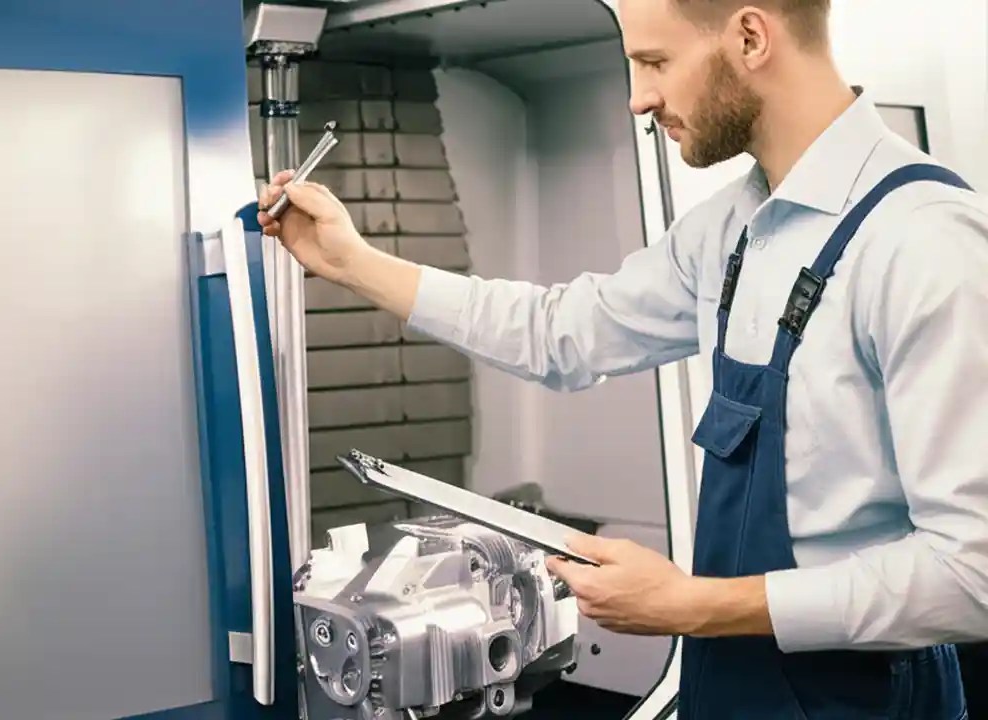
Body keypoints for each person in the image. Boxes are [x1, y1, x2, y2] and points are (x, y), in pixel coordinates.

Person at [258, 0, 988, 717]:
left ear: (752, 37)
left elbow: (974, 573)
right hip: (733, 675)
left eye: (654, 61)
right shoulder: (736, 227)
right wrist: (350, 262)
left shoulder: (925, 243)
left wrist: (694, 605)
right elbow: (561, 331)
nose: (640, 97)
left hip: (864, 695)